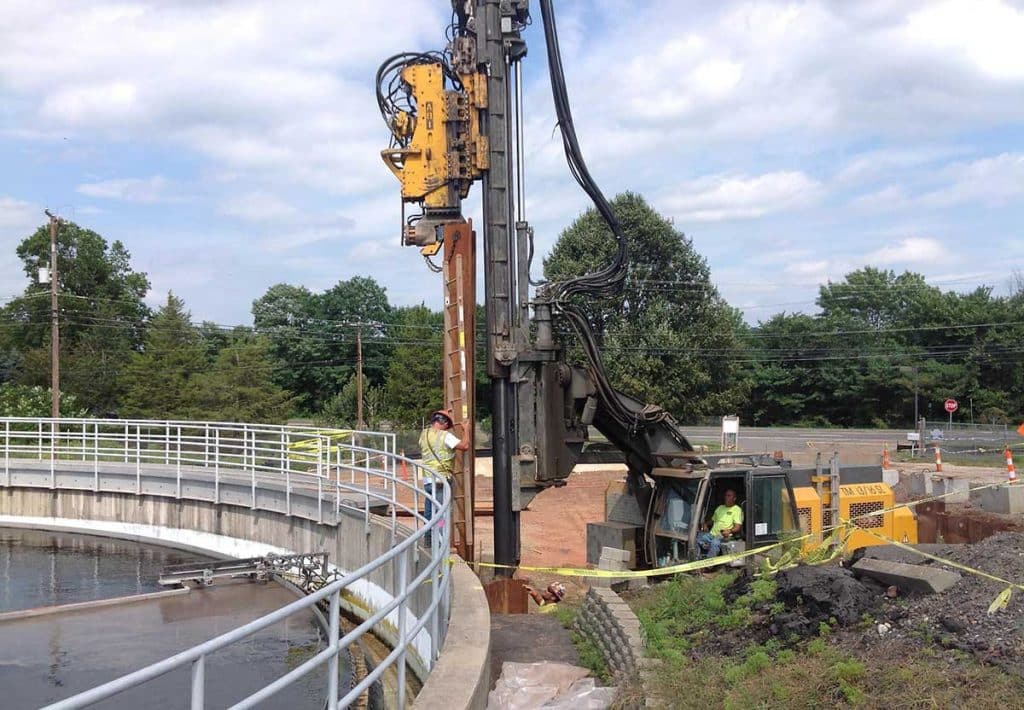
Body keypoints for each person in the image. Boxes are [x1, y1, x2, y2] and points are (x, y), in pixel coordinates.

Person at [418, 409, 470, 527]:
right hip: (440, 479)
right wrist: (466, 430)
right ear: (444, 422)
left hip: (428, 480)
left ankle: (428, 537)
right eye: (447, 424)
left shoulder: (424, 434)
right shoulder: (445, 436)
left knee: (429, 512)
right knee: (442, 513)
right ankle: (441, 536)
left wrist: (445, 412)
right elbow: (465, 446)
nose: (447, 428)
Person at [696, 488, 743, 559]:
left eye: (729, 496)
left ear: (734, 498)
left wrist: (730, 531)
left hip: (723, 536)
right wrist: (705, 524)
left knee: (715, 543)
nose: (726, 497)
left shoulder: (737, 510)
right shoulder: (720, 508)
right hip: (711, 534)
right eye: (726, 495)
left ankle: (709, 563)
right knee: (697, 537)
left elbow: (737, 527)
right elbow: (712, 520)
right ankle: (697, 559)